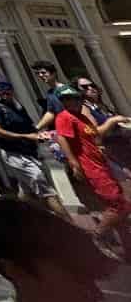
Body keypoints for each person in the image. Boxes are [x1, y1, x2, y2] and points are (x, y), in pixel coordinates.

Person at [52, 84, 130, 250]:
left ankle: (123, 244)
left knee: (116, 206)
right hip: (90, 167)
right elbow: (62, 139)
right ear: (62, 102)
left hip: (100, 163)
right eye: (67, 99)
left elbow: (95, 135)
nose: (72, 101)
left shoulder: (82, 117)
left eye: (75, 98)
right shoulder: (64, 117)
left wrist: (111, 124)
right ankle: (96, 236)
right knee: (120, 205)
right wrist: (74, 163)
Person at [0, 75, 63, 211]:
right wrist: (27, 136)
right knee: (46, 190)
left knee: (26, 194)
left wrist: (39, 134)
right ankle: (69, 225)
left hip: (29, 152)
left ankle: (19, 221)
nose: (4, 91)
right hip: (14, 154)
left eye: (6, 88)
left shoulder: (17, 105)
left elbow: (29, 127)